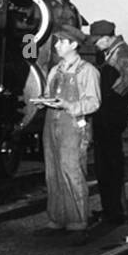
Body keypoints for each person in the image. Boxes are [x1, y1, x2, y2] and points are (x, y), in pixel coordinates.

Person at [39, 24, 101, 234]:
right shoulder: (55, 70)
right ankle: (56, 220)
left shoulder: (88, 71)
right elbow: (48, 93)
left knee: (72, 172)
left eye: (62, 42)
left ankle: (78, 223)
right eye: (56, 41)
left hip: (74, 126)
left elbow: (94, 102)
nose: (57, 45)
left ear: (74, 44)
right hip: (51, 123)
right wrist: (41, 101)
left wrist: (69, 106)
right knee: (53, 172)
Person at [87, 19, 128, 224]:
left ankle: (115, 212)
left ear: (107, 38)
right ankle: (111, 209)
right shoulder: (113, 51)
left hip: (111, 118)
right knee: (106, 165)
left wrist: (107, 98)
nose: (96, 45)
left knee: (111, 165)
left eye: (97, 41)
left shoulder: (121, 52)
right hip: (110, 117)